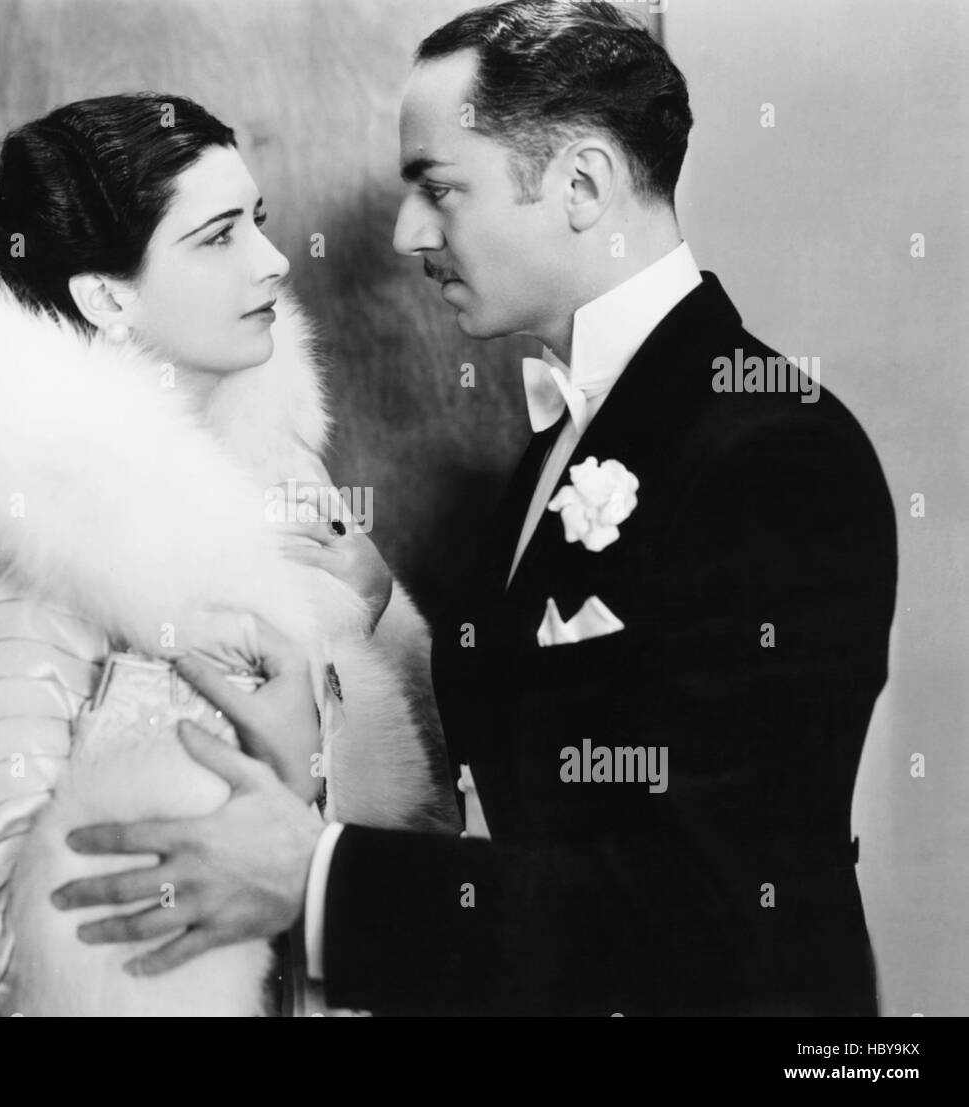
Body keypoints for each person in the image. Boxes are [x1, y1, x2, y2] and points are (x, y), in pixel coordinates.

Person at [71, 1, 898, 1016]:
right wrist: (381, 616)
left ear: (582, 185)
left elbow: (708, 907)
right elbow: (559, 733)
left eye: (437, 188)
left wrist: (316, 878)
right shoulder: (570, 431)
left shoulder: (776, 453)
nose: (405, 232)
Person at [0, 93, 459, 1016]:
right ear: (106, 295)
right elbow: (11, 950)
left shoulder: (291, 484)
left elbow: (411, 826)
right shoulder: (41, 560)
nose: (274, 261)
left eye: (259, 220)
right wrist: (269, 766)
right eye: (217, 237)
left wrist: (363, 620)